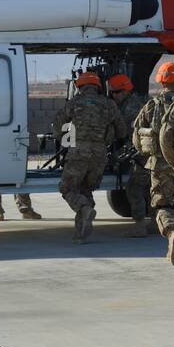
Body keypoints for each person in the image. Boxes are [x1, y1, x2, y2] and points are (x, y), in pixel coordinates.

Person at [52, 71, 125, 243]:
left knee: (67, 188)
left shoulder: (74, 103)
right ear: (98, 86)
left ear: (80, 87)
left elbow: (58, 123)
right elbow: (121, 130)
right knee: (85, 189)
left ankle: (83, 209)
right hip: (100, 154)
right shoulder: (109, 104)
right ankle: (81, 232)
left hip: (78, 152)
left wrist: (63, 139)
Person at [132, 61, 174, 265]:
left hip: (159, 164)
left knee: (163, 204)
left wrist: (145, 153)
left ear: (162, 81)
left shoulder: (152, 105)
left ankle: (172, 233)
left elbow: (137, 135)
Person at [108, 73, 150, 237]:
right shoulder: (128, 104)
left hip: (141, 154)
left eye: (117, 92)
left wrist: (117, 157)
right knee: (148, 189)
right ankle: (157, 222)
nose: (114, 96)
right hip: (143, 153)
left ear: (126, 91)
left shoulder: (132, 109)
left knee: (134, 188)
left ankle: (140, 225)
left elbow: (134, 141)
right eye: (112, 93)